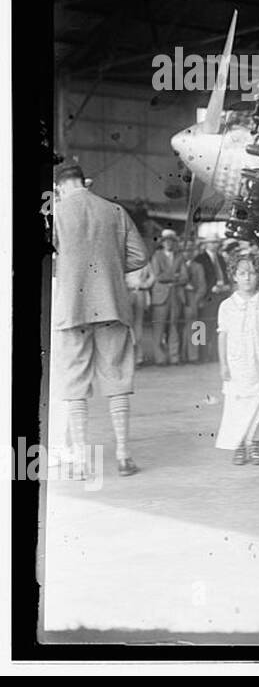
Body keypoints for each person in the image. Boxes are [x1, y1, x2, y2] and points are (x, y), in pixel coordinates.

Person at [50, 162, 150, 478]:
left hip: (73, 308)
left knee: (75, 383)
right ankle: (123, 455)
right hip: (111, 306)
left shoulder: (57, 214)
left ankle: (80, 463)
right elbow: (140, 256)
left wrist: (66, 269)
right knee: (117, 377)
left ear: (60, 187)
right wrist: (109, 269)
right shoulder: (114, 211)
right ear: (85, 183)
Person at [215, 255, 259, 466]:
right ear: (234, 276)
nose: (247, 278)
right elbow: (222, 335)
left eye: (251, 273)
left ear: (258, 275)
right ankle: (239, 446)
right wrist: (223, 364)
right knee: (237, 407)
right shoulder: (227, 305)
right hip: (237, 366)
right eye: (242, 273)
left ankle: (255, 446)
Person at [148, 228, 187, 366]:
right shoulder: (156, 256)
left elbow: (185, 277)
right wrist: (174, 276)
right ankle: (160, 358)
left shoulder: (179, 256)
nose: (168, 244)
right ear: (162, 243)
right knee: (159, 327)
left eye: (171, 241)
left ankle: (174, 357)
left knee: (174, 326)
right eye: (166, 241)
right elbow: (158, 276)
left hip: (175, 295)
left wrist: (171, 278)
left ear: (174, 243)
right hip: (161, 297)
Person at [191, 238, 231, 363]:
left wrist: (226, 286)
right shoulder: (199, 258)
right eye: (212, 242)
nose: (215, 244)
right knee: (202, 327)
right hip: (206, 297)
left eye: (216, 242)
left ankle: (215, 355)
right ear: (206, 244)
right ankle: (202, 355)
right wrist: (210, 288)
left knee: (218, 326)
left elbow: (225, 275)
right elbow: (197, 279)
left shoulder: (221, 258)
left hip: (221, 296)